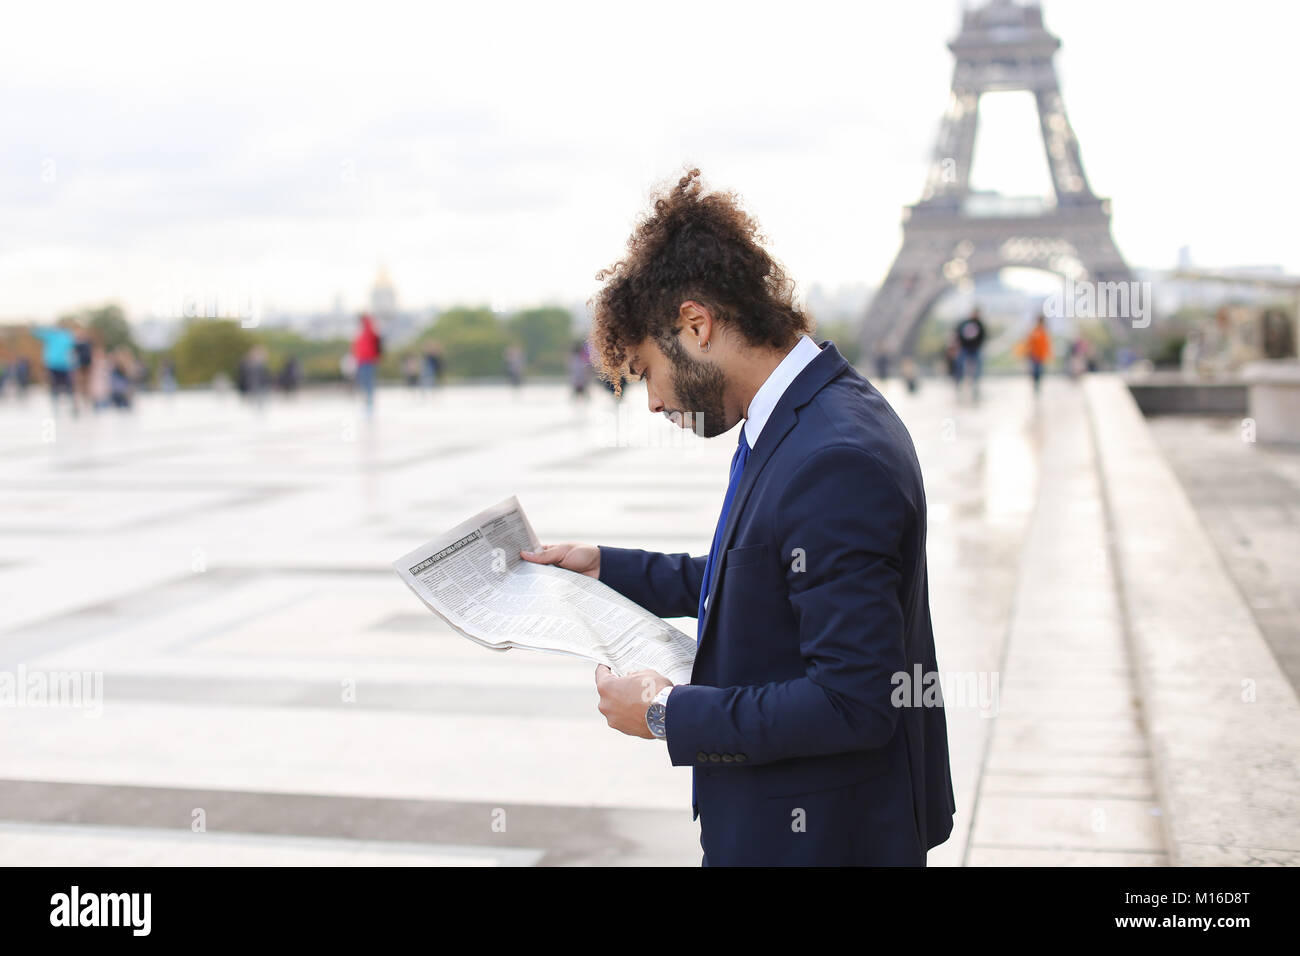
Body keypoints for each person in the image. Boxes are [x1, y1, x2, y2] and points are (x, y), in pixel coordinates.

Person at [521, 169, 955, 866]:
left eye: (645, 371)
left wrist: (665, 713)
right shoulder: (799, 415)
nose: (655, 403)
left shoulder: (832, 457)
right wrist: (607, 567)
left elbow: (855, 702)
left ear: (696, 325)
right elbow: (766, 581)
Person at [30, 320, 78, 415]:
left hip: (62, 365)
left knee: (62, 386)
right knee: (59, 386)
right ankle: (58, 405)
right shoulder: (62, 335)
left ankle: (69, 405)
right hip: (56, 364)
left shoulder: (64, 335)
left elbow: (36, 333)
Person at [352, 313, 381, 415]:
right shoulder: (361, 331)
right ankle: (367, 400)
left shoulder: (369, 330)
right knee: (363, 380)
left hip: (368, 359)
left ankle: (369, 400)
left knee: (368, 380)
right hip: (362, 360)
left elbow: (376, 342)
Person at [955, 307, 985, 400]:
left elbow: (983, 336)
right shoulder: (965, 323)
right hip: (965, 348)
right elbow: (959, 334)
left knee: (978, 366)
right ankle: (959, 381)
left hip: (974, 348)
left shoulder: (979, 324)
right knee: (960, 364)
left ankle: (975, 383)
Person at [1021, 314, 1053, 395]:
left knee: (1039, 372)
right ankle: (1036, 385)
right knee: (1036, 371)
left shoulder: (1043, 331)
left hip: (1040, 355)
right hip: (1035, 355)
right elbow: (1030, 343)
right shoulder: (1036, 330)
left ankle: (1037, 385)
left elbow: (1046, 344)